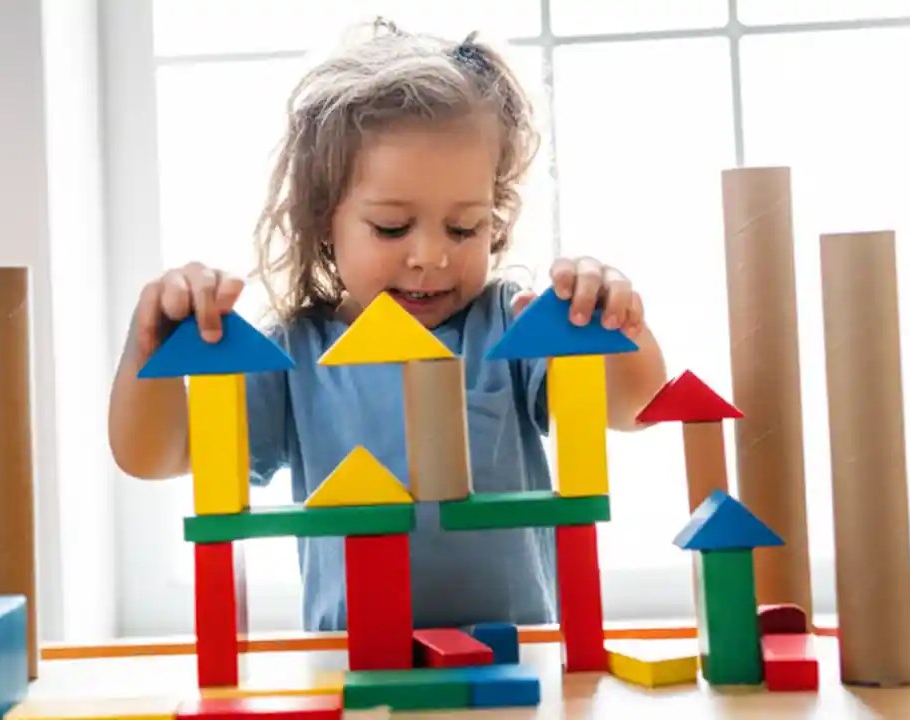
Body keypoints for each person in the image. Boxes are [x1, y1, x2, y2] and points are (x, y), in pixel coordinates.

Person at [108, 19, 667, 633]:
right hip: (350, 664)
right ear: (325, 222)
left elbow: (633, 407)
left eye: (464, 228)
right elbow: (156, 455)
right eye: (392, 227)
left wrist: (615, 321)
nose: (431, 255)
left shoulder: (510, 327)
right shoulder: (297, 355)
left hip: (516, 660)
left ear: (496, 222)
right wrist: (151, 345)